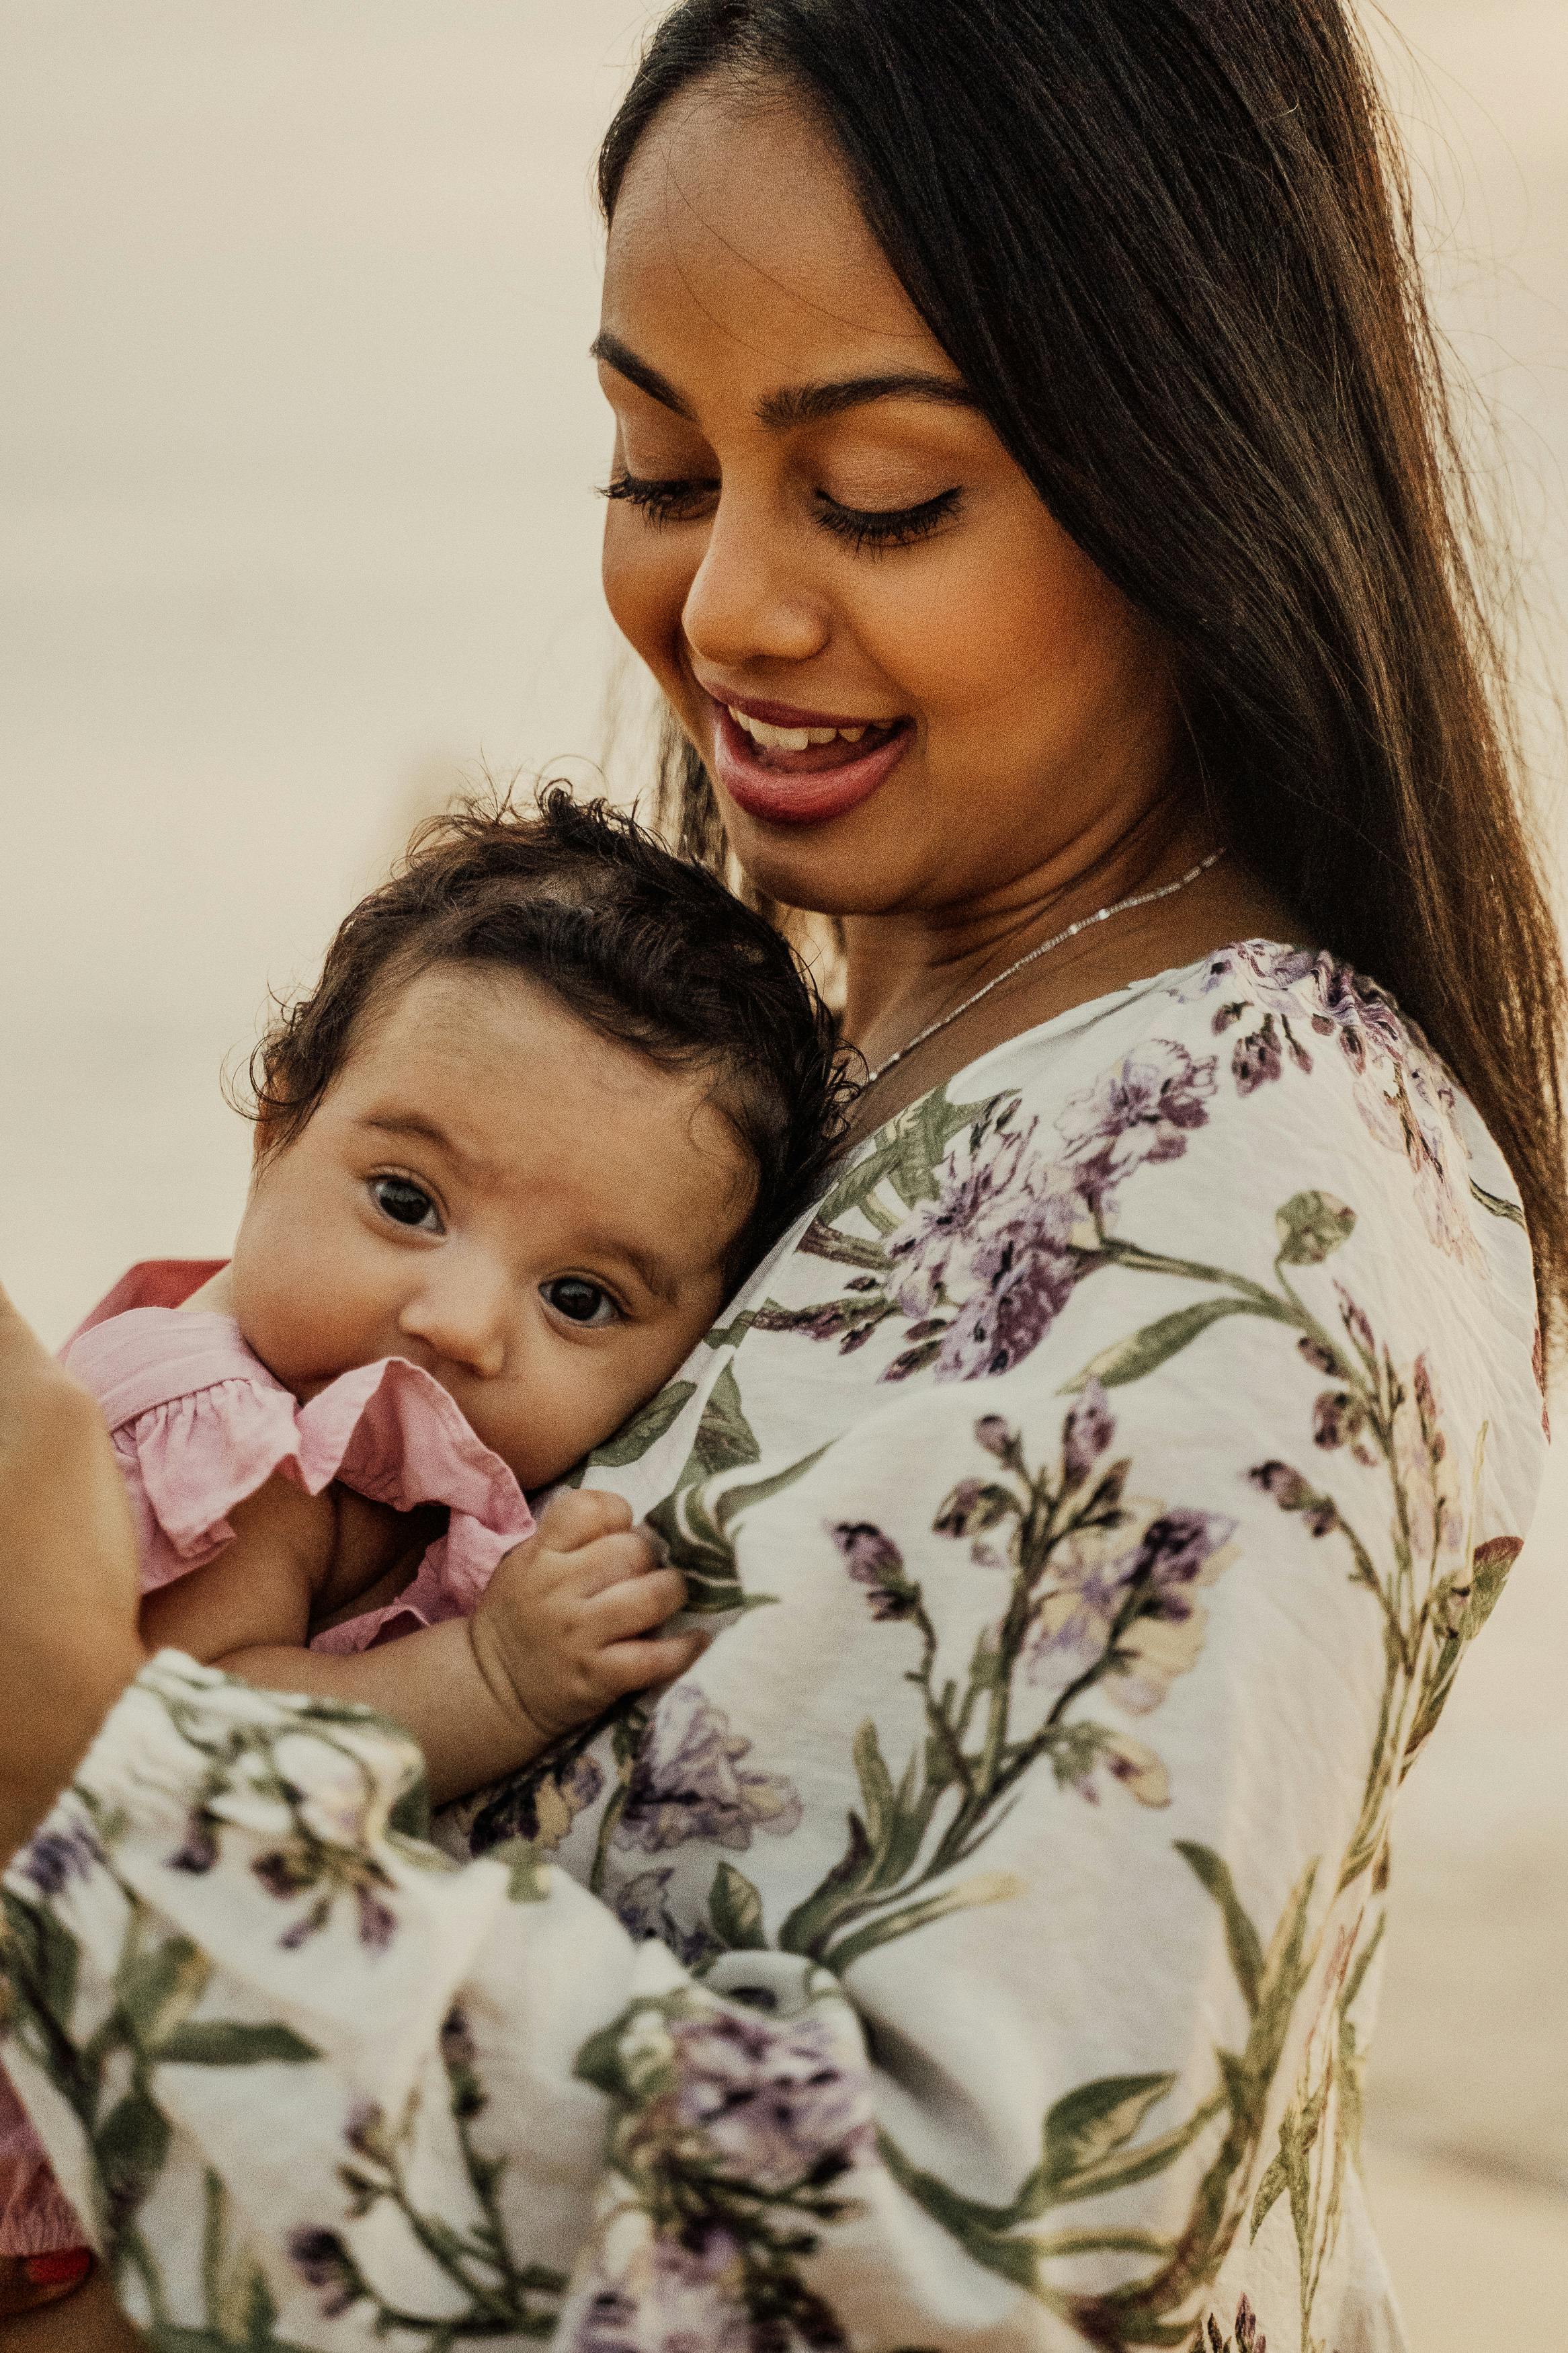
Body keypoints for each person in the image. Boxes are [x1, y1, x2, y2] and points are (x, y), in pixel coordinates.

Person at [0, 1, 1561, 2346]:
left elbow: (966, 2268)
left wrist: (94, 1766)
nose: (722, 607)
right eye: (654, 466)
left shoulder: (1272, 1206)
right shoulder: (840, 1042)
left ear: (1193, 465)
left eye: (880, 496)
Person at [0, 785, 850, 2309]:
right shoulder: (236, 1432)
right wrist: (494, 1674)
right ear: (277, 1129)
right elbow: (177, 1749)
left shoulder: (359, 1435)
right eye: (405, 1201)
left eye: (581, 1299)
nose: (461, 1319)